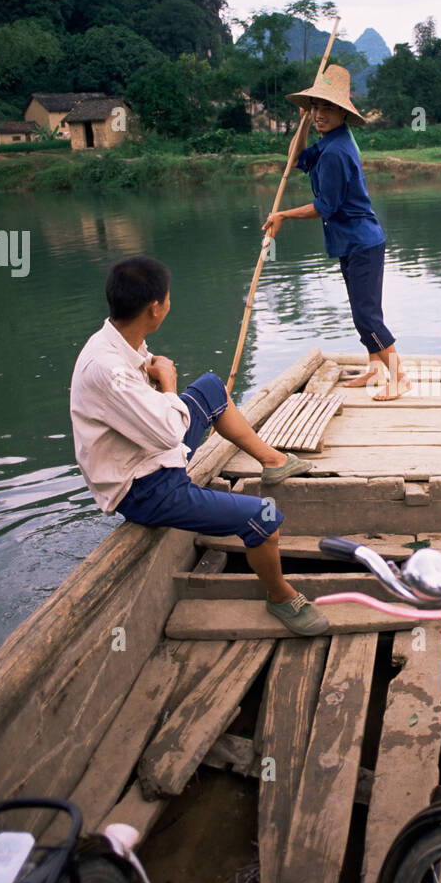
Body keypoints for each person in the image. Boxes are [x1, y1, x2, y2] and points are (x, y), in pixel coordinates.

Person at [69, 255, 329, 636]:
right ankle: (280, 596)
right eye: (167, 297)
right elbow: (170, 433)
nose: (169, 302)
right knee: (265, 518)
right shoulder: (108, 368)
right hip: (144, 486)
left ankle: (273, 459)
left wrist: (157, 379)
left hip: (151, 451)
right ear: (155, 307)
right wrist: (168, 381)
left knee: (210, 388)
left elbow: (156, 423)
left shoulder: (121, 340)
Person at [262, 64, 409, 401]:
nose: (319, 115)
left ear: (343, 112)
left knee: (366, 315)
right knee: (364, 313)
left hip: (362, 243)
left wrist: (283, 213)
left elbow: (325, 206)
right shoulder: (329, 143)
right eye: (316, 107)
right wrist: (300, 123)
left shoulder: (337, 152)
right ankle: (375, 371)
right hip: (352, 243)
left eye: (327, 108)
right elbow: (296, 159)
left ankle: (399, 378)